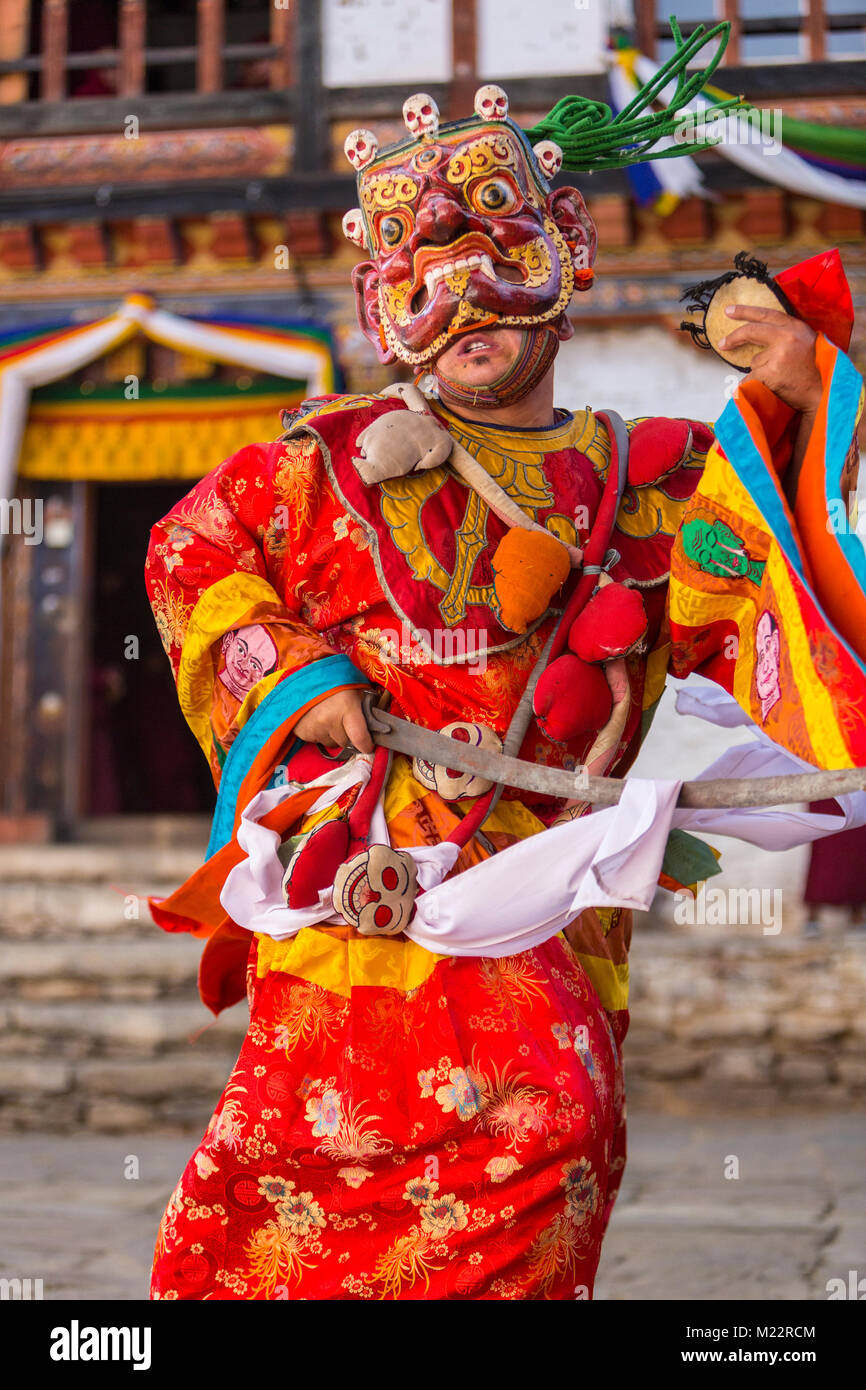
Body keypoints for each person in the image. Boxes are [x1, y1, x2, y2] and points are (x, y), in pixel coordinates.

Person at [143, 54, 865, 1300]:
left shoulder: (660, 484)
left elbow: (777, 595)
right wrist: (300, 676)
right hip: (357, 911)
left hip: (544, 906)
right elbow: (188, 555)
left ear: (567, 244)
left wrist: (800, 394)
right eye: (413, 271)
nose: (455, 287)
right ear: (378, 305)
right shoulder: (326, 467)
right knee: (268, 1188)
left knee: (546, 1137)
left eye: (489, 242)